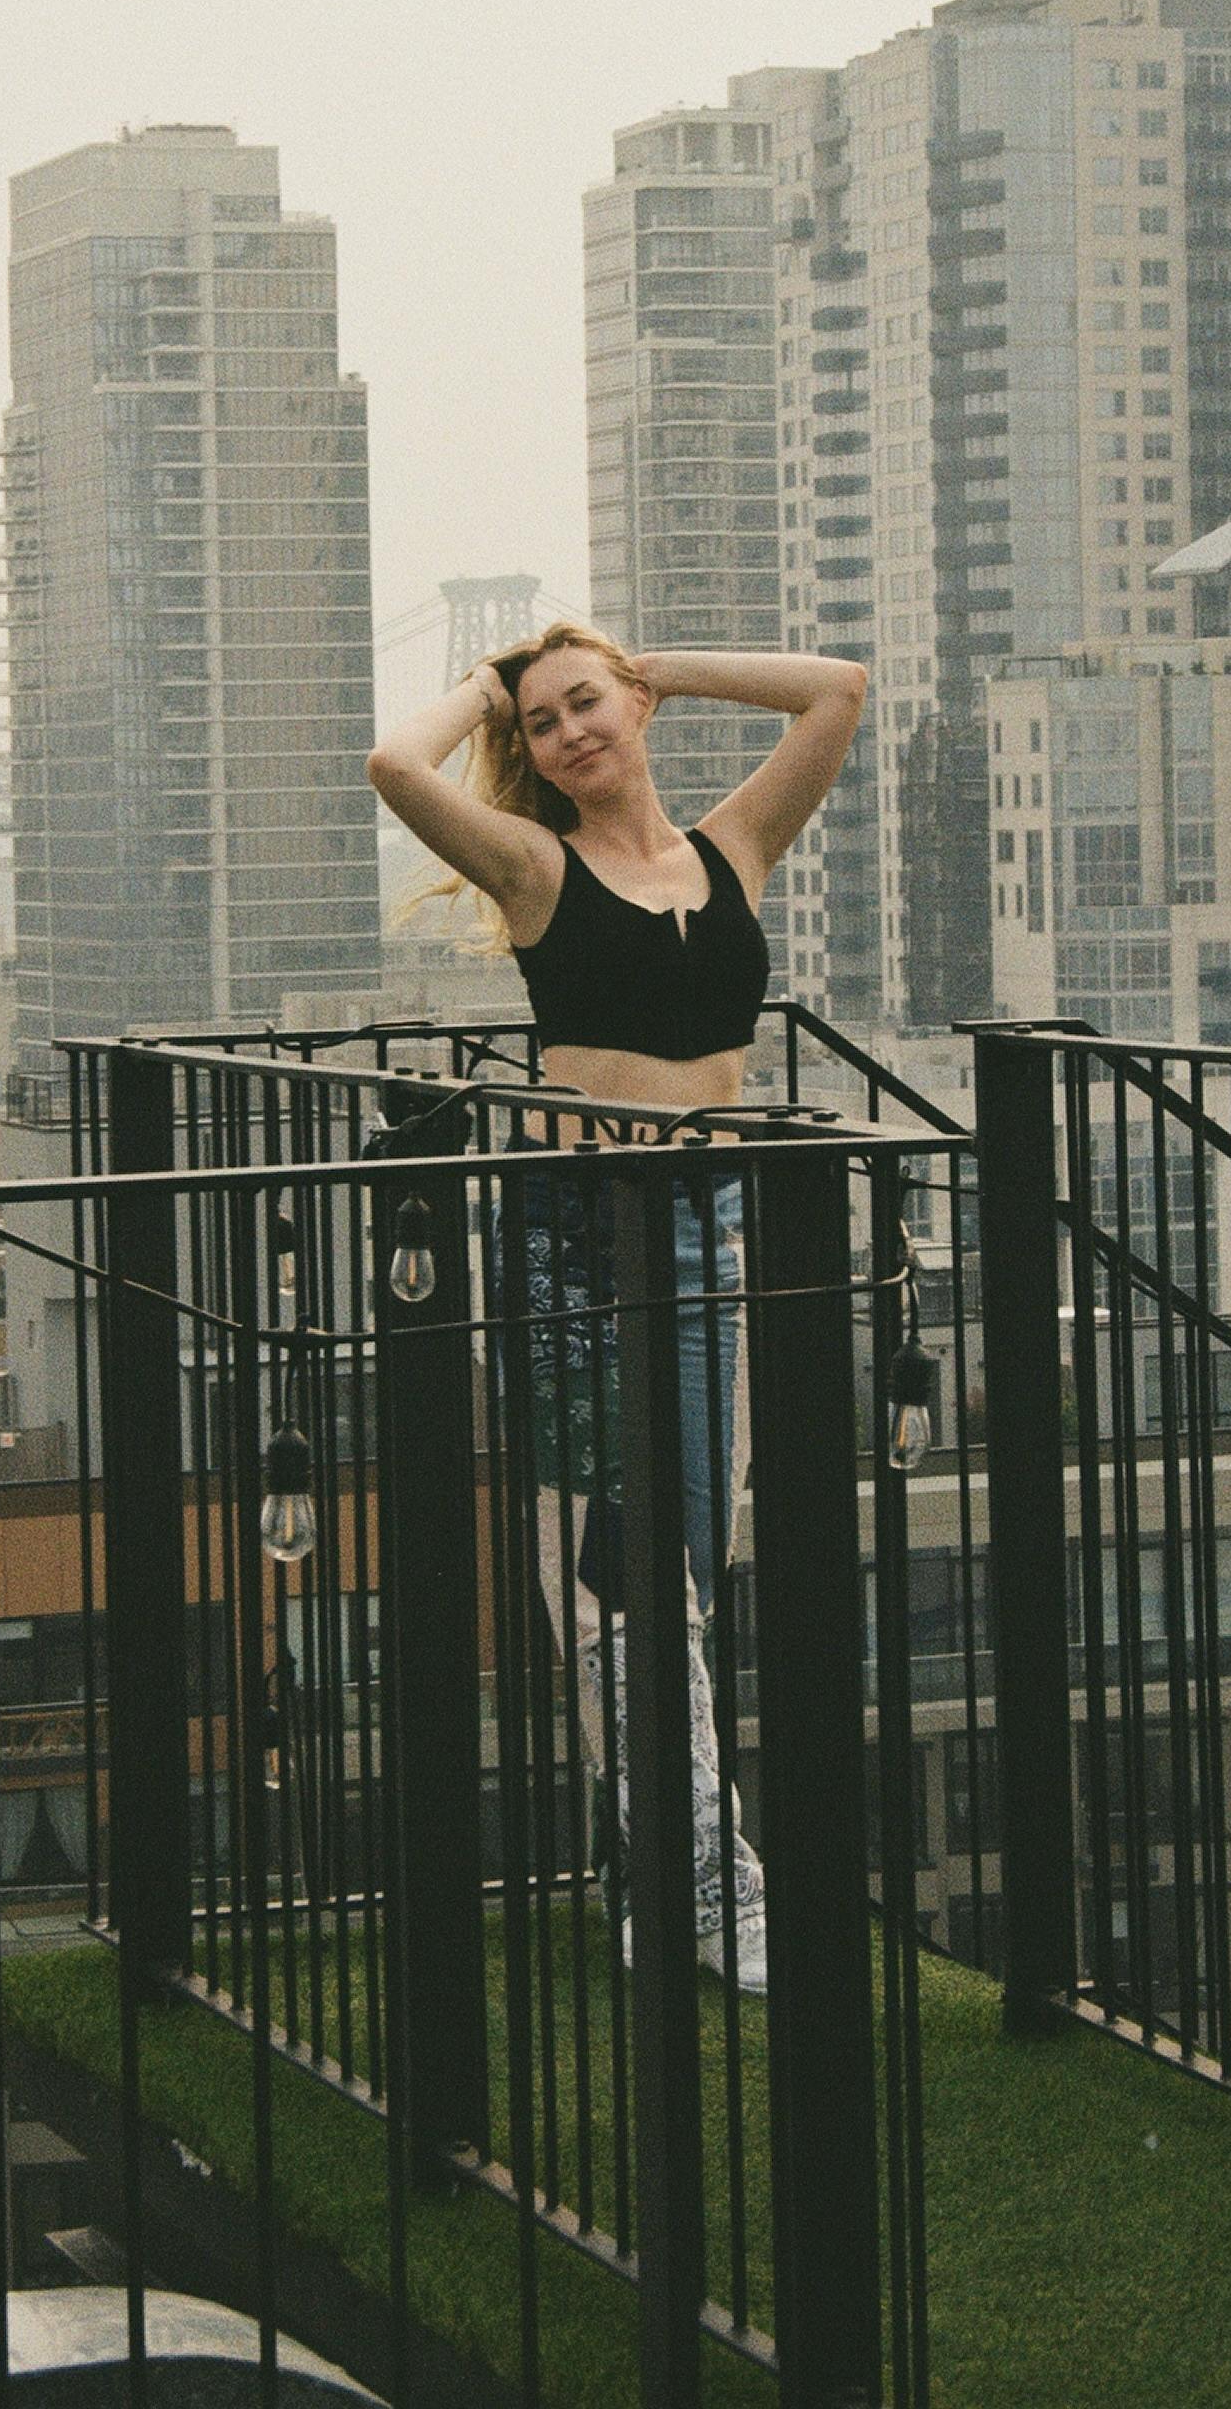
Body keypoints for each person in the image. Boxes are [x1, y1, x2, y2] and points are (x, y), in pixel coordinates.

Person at [367, 626, 867, 1987]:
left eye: (586, 704)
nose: (569, 733)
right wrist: (485, 689)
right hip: (578, 1250)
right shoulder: (539, 869)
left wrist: (657, 662)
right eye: (540, 725)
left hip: (708, 1242)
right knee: (610, 1592)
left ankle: (650, 1860)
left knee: (680, 1577)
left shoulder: (729, 851)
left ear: (632, 705)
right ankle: (703, 1887)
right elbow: (392, 766)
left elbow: (839, 693)